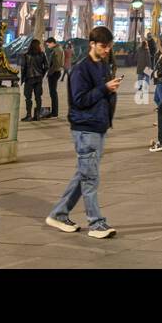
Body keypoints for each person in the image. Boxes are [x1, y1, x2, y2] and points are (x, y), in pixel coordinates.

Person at [46, 25, 121, 238]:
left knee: (84, 173)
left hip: (98, 125)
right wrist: (105, 89)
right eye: (104, 46)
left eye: (109, 46)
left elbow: (99, 94)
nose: (107, 50)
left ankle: (59, 214)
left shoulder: (103, 65)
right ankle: (96, 223)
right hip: (85, 127)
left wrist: (109, 88)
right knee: (90, 178)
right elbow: (79, 100)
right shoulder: (81, 69)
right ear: (92, 45)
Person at [20, 39, 48, 121]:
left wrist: (23, 79)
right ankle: (37, 115)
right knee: (38, 97)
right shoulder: (42, 54)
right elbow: (46, 66)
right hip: (39, 79)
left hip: (29, 79)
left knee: (28, 98)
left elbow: (23, 68)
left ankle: (29, 115)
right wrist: (42, 74)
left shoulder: (26, 55)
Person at [44, 37, 64, 118]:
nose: (47, 45)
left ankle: (54, 112)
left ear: (52, 42)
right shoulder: (58, 48)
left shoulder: (57, 50)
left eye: (48, 44)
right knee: (53, 92)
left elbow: (56, 64)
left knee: (53, 93)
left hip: (54, 72)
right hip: (56, 72)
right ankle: (54, 111)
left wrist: (49, 73)